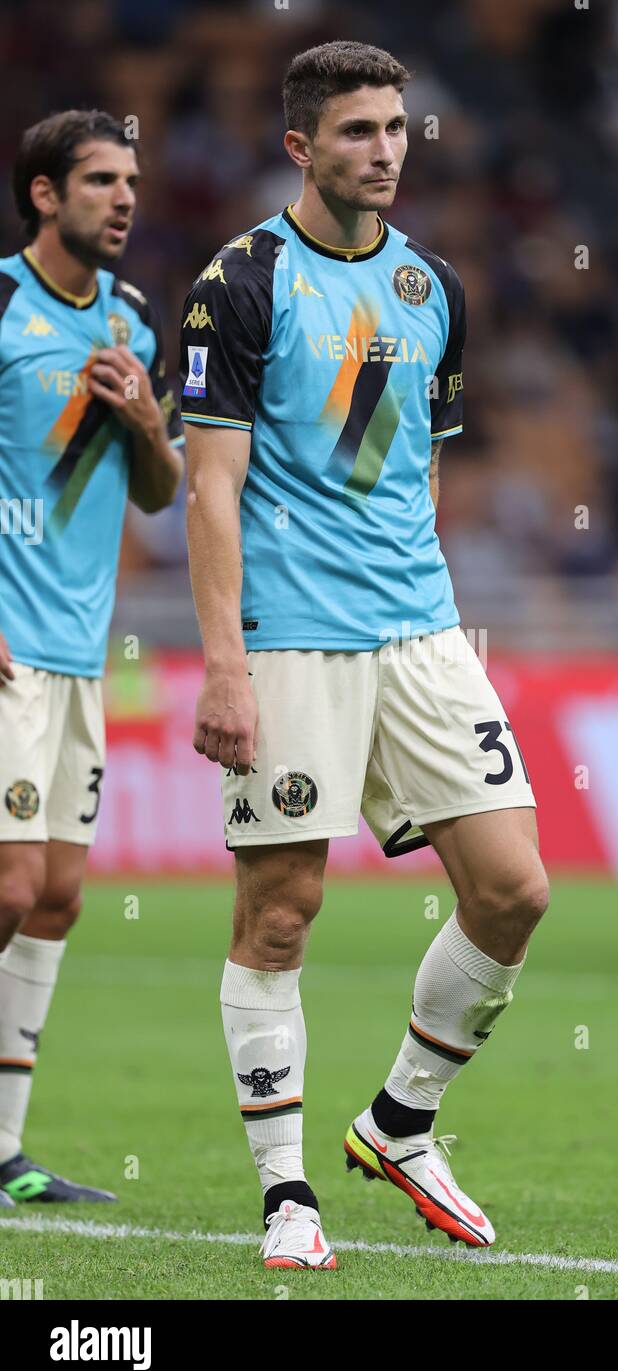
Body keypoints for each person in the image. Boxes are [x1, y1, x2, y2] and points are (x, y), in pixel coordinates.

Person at [180, 41, 548, 1272]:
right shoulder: (240, 282)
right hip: (292, 643)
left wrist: (425, 607)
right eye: (354, 132)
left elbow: (420, 471)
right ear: (299, 147)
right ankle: (288, 1197)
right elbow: (210, 493)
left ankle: (399, 1122)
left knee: (512, 889)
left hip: (421, 633)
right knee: (280, 910)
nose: (383, 150)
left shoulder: (431, 287)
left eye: (394, 128)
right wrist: (224, 665)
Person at [0, 110, 184, 1205]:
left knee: (59, 894)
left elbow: (159, 495)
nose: (125, 198)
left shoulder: (132, 322)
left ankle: (6, 1152)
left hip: (79, 650)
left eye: (132, 180)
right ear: (43, 194)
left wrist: (148, 424)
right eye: (101, 180)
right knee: (10, 883)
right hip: (10, 646)